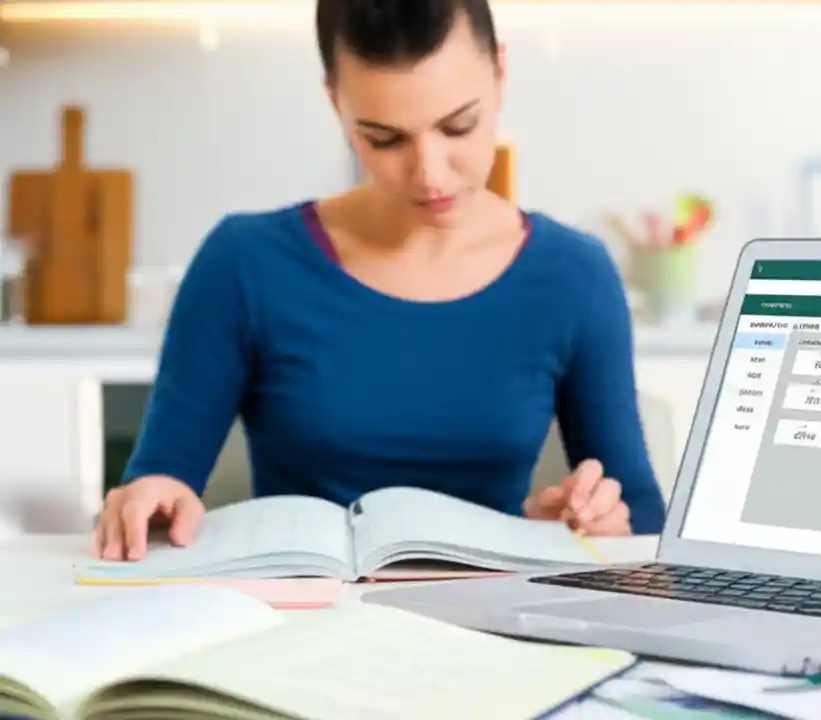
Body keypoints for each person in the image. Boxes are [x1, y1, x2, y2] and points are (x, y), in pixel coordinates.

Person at [92, 0, 667, 561]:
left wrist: (592, 525)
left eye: (458, 126)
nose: (430, 173)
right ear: (335, 103)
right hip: (295, 621)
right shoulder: (244, 263)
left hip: (491, 629)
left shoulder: (575, 276)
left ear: (500, 71)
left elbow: (643, 524)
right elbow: (159, 482)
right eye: (384, 138)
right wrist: (148, 498)